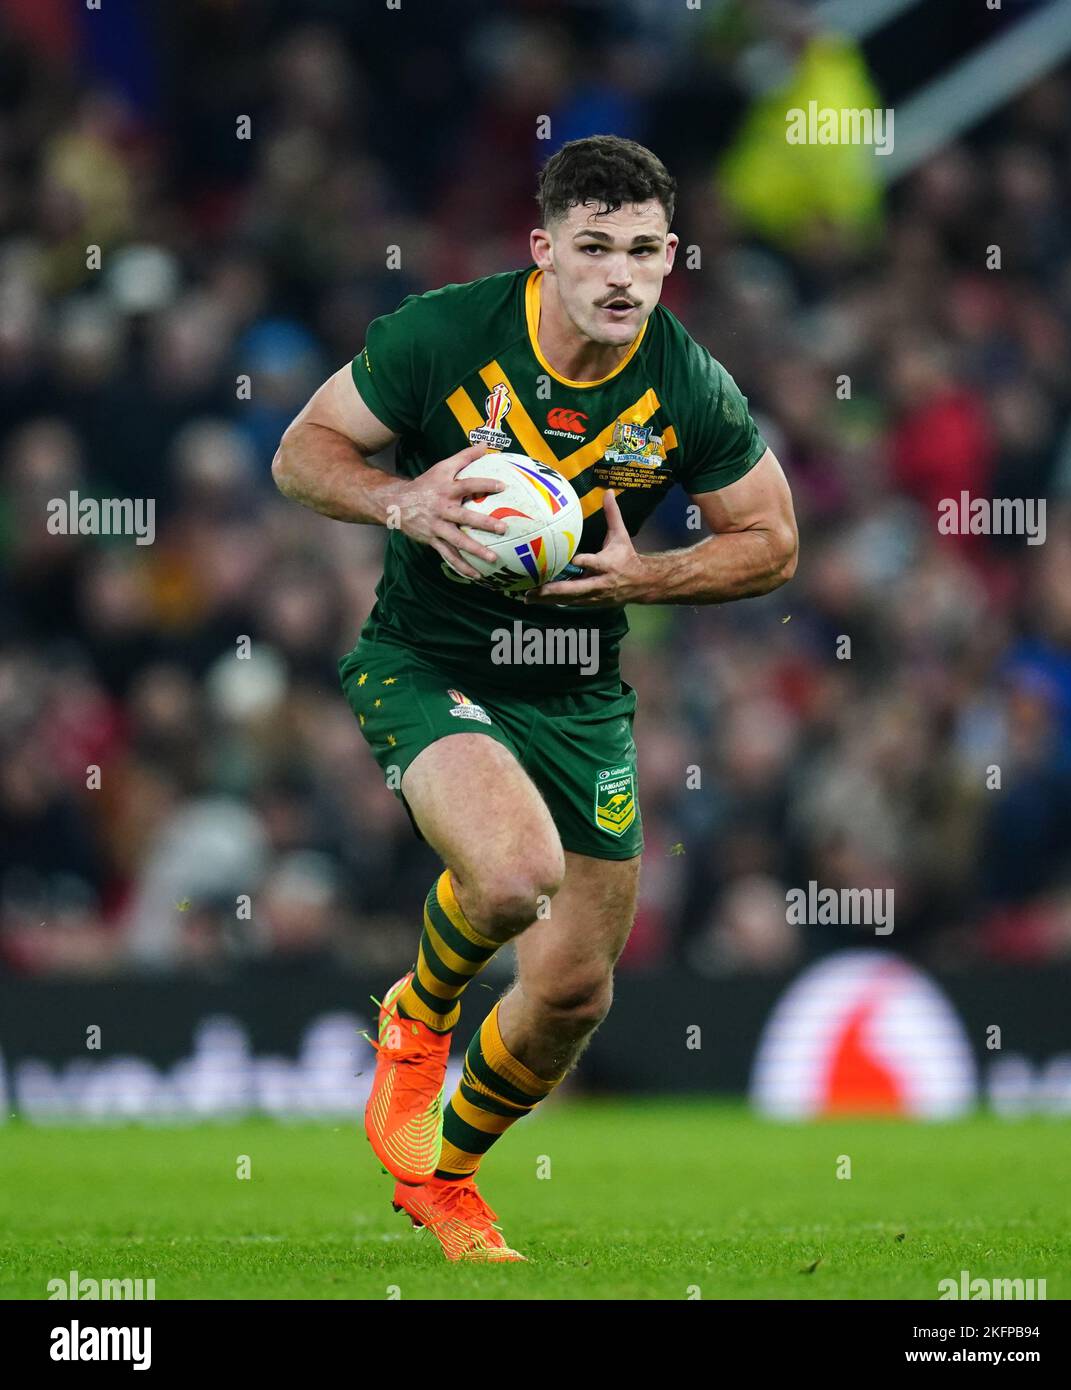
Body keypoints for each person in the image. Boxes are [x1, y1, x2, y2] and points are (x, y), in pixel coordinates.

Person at [272, 135, 798, 1261]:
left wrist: (647, 576)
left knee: (571, 994)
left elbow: (774, 541)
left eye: (645, 251)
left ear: (671, 257)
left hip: (577, 693)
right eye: (594, 248)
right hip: (427, 660)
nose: (621, 275)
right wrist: (401, 502)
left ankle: (444, 1180)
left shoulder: (688, 383)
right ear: (543, 250)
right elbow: (301, 452)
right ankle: (417, 1015)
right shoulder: (443, 334)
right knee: (512, 875)